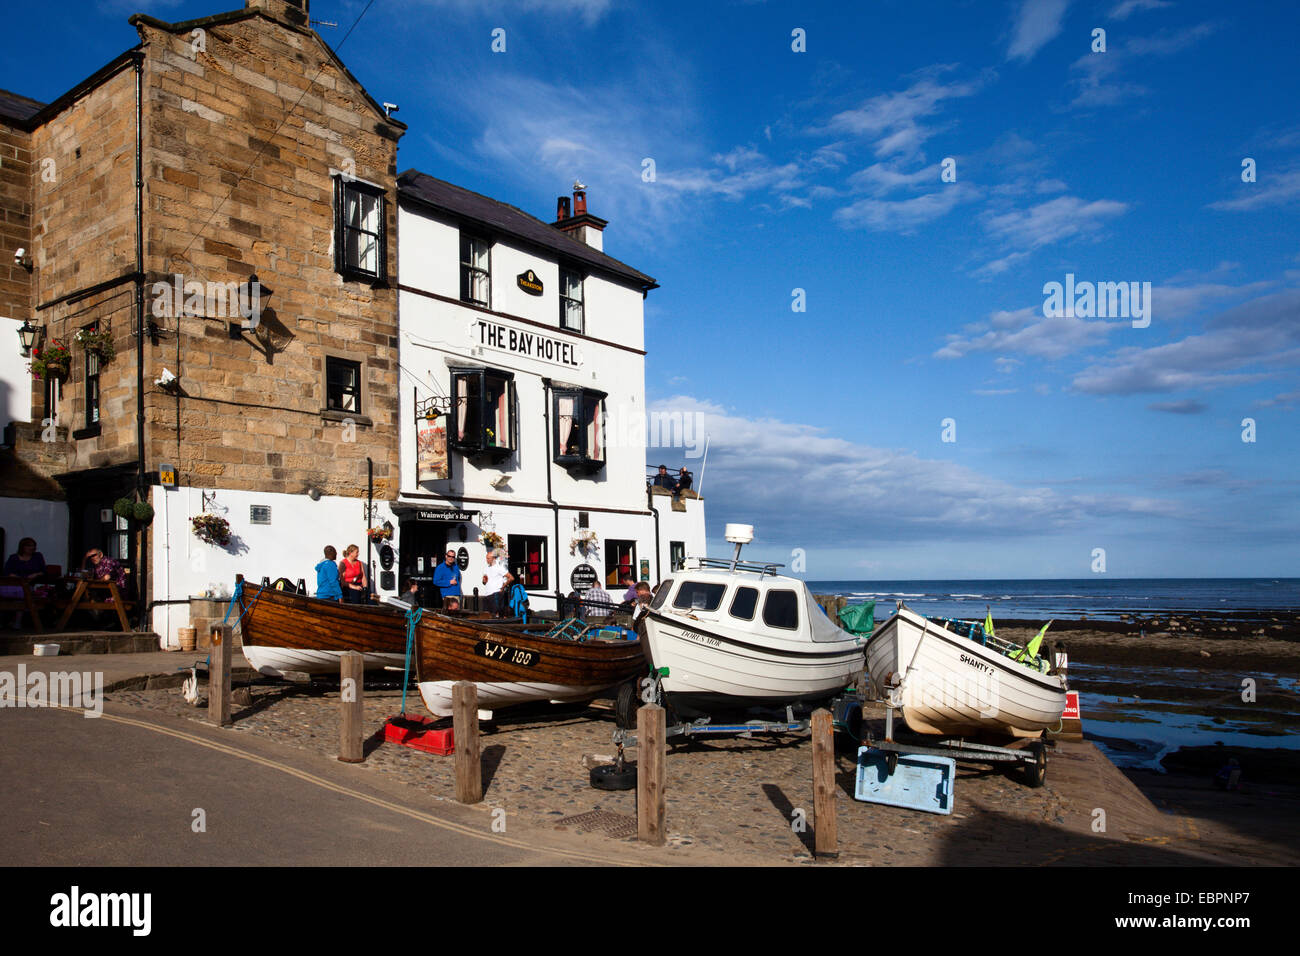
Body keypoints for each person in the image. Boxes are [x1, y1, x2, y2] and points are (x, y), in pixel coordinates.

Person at [4, 537, 47, 630]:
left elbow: (43, 571)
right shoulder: (14, 558)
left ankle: (17, 622)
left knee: (23, 593)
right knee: (15, 593)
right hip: (14, 584)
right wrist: (17, 578)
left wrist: (35, 574)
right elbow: (7, 572)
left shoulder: (37, 557)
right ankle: (12, 621)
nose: (32, 548)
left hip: (28, 585)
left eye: (33, 546)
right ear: (22, 547)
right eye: (29, 546)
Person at [481, 550, 509, 615]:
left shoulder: (499, 568)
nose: (487, 560)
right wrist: (484, 581)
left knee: (495, 615)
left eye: (488, 558)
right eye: (486, 558)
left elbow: (511, 578)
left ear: (493, 559)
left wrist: (503, 587)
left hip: (496, 594)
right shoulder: (486, 568)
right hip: (487, 595)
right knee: (486, 615)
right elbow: (484, 582)